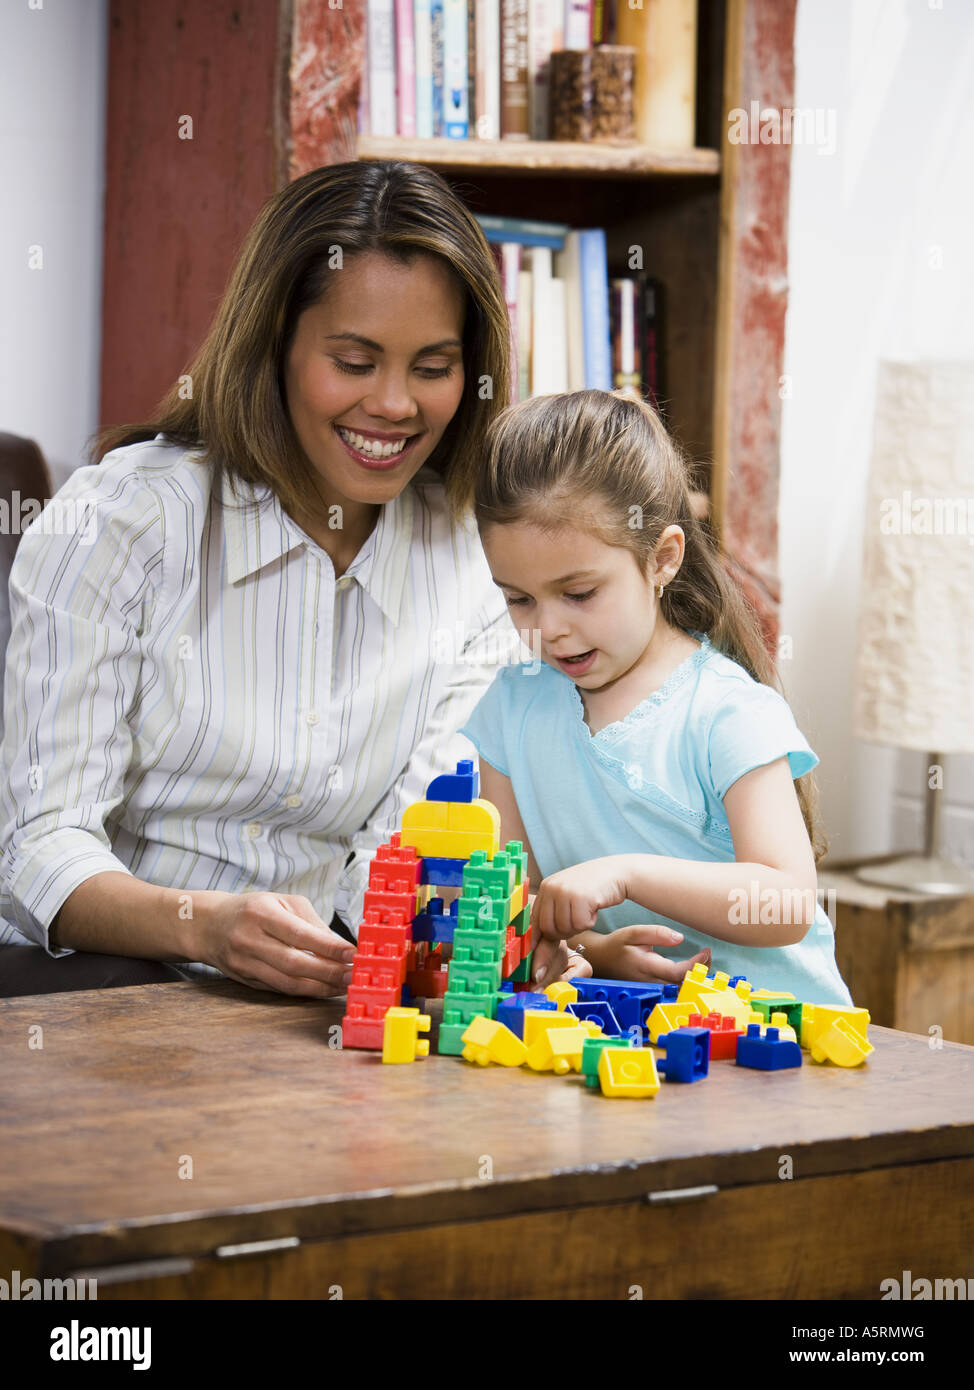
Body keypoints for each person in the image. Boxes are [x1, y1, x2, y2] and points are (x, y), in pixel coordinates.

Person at [0, 159, 582, 998]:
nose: (394, 405)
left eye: (432, 367)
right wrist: (206, 924)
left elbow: (407, 854)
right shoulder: (125, 521)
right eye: (353, 360)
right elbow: (38, 849)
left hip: (315, 1003)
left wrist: (530, 949)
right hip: (106, 991)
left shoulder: (474, 561)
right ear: (274, 344)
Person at [459, 389, 854, 1006]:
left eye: (580, 592)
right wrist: (593, 951)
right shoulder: (509, 713)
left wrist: (626, 874)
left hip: (782, 1044)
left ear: (662, 558)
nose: (551, 627)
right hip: (629, 1045)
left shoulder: (726, 710)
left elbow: (786, 903)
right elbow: (520, 912)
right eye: (519, 599)